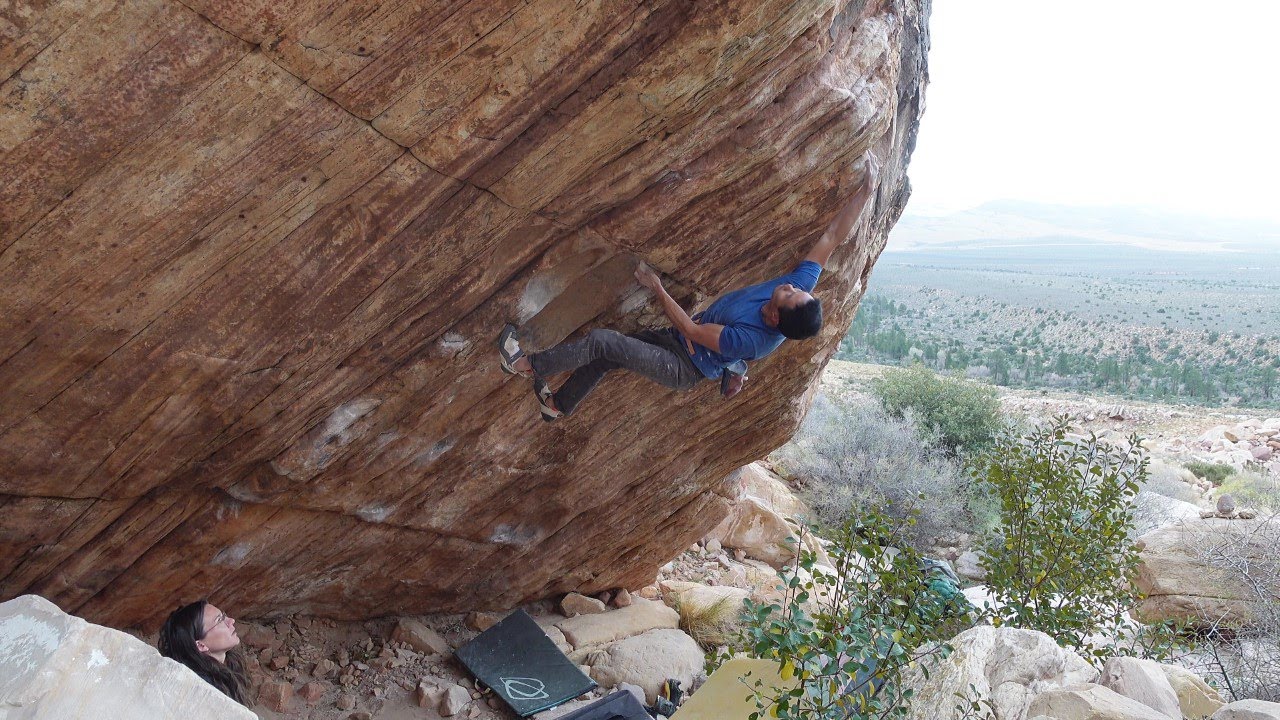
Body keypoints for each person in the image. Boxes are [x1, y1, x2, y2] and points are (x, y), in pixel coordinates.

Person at [498, 154, 880, 421]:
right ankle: (559, 405)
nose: (795, 286)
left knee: (601, 341)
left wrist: (657, 288)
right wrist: (865, 193)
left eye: (794, 294)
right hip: (680, 343)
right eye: (800, 290)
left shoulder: (755, 340)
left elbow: (693, 331)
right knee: (607, 356)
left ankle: (526, 364)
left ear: (778, 316)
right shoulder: (797, 291)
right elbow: (832, 238)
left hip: (682, 365)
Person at [157, 600, 250, 706]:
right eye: (220, 620)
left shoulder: (229, 663)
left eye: (224, 615)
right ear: (201, 645)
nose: (231, 621)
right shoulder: (204, 691)